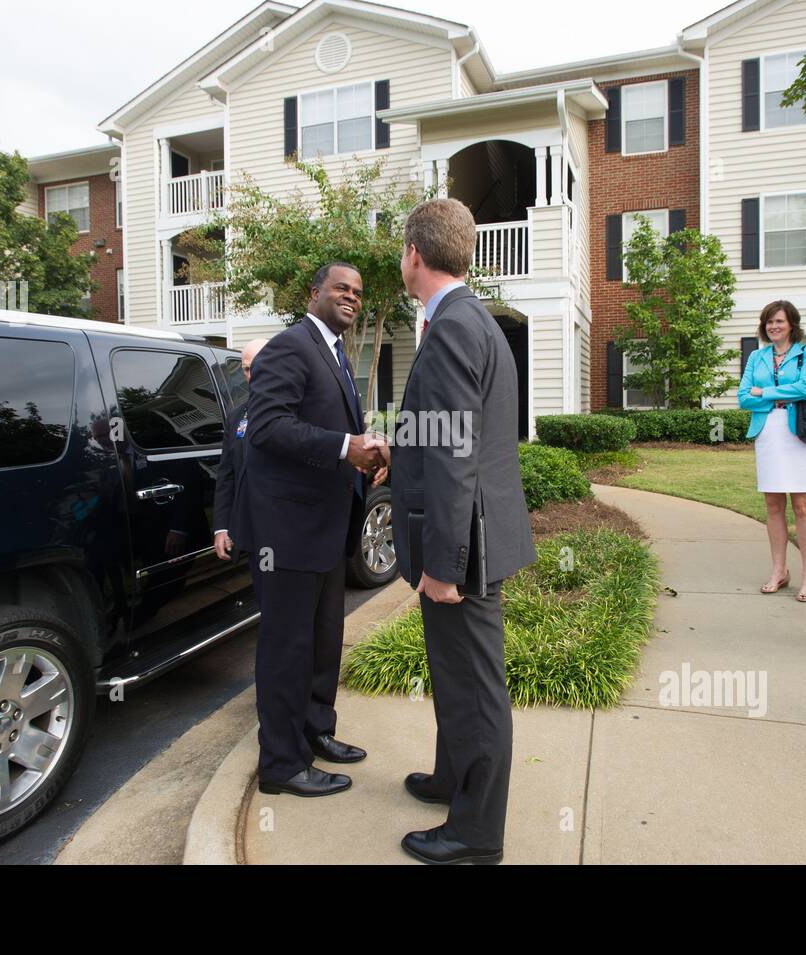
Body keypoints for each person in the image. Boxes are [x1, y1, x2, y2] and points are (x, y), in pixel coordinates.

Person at [369, 198, 535, 865]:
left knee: (473, 688)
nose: (401, 262)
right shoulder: (474, 319)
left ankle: (475, 832)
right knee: (454, 675)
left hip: (463, 549)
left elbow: (454, 456)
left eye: (402, 253)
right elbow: (448, 437)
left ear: (415, 253)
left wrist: (442, 563)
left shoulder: (450, 328)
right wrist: (398, 446)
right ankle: (450, 778)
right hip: (476, 535)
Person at [232, 263, 383, 796]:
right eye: (342, 288)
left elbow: (324, 427)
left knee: (323, 641)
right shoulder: (289, 347)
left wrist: (362, 456)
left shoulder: (335, 354)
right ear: (313, 292)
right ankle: (281, 764)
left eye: (359, 292)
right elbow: (268, 428)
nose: (352, 297)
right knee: (287, 649)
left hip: (324, 525)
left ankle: (317, 731)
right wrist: (346, 447)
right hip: (288, 532)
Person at [737, 300, 806, 602]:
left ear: (792, 324)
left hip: (798, 433)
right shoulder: (756, 357)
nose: (773, 327)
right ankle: (779, 571)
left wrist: (766, 393)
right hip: (768, 433)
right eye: (769, 322)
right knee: (773, 505)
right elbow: (744, 397)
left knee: (801, 505)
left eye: (779, 321)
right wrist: (771, 398)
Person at [213, 338, 267, 562]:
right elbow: (226, 474)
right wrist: (221, 528)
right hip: (252, 534)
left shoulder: (299, 409)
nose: (251, 374)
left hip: (290, 533)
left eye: (258, 365)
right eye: (246, 368)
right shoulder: (237, 417)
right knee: (264, 595)